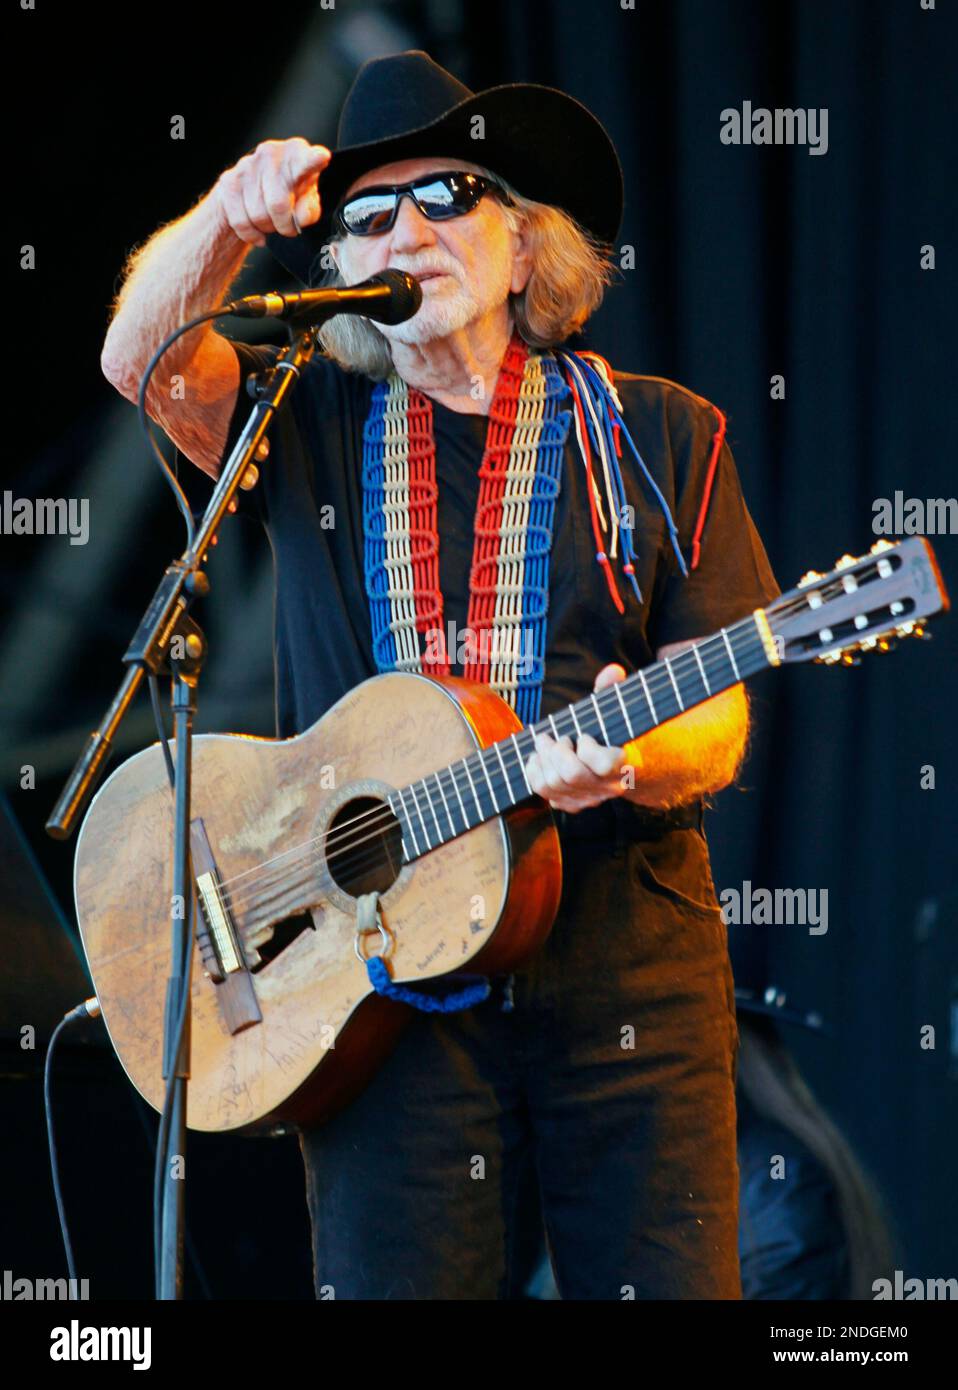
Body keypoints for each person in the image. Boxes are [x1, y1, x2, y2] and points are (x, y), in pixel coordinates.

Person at [100, 49, 780, 1300]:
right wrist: (228, 215)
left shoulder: (662, 432)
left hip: (623, 971)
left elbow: (718, 704)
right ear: (342, 271)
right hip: (371, 990)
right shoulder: (294, 420)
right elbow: (140, 361)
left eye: (444, 195)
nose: (402, 228)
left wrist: (625, 757)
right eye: (367, 215)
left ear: (525, 247)